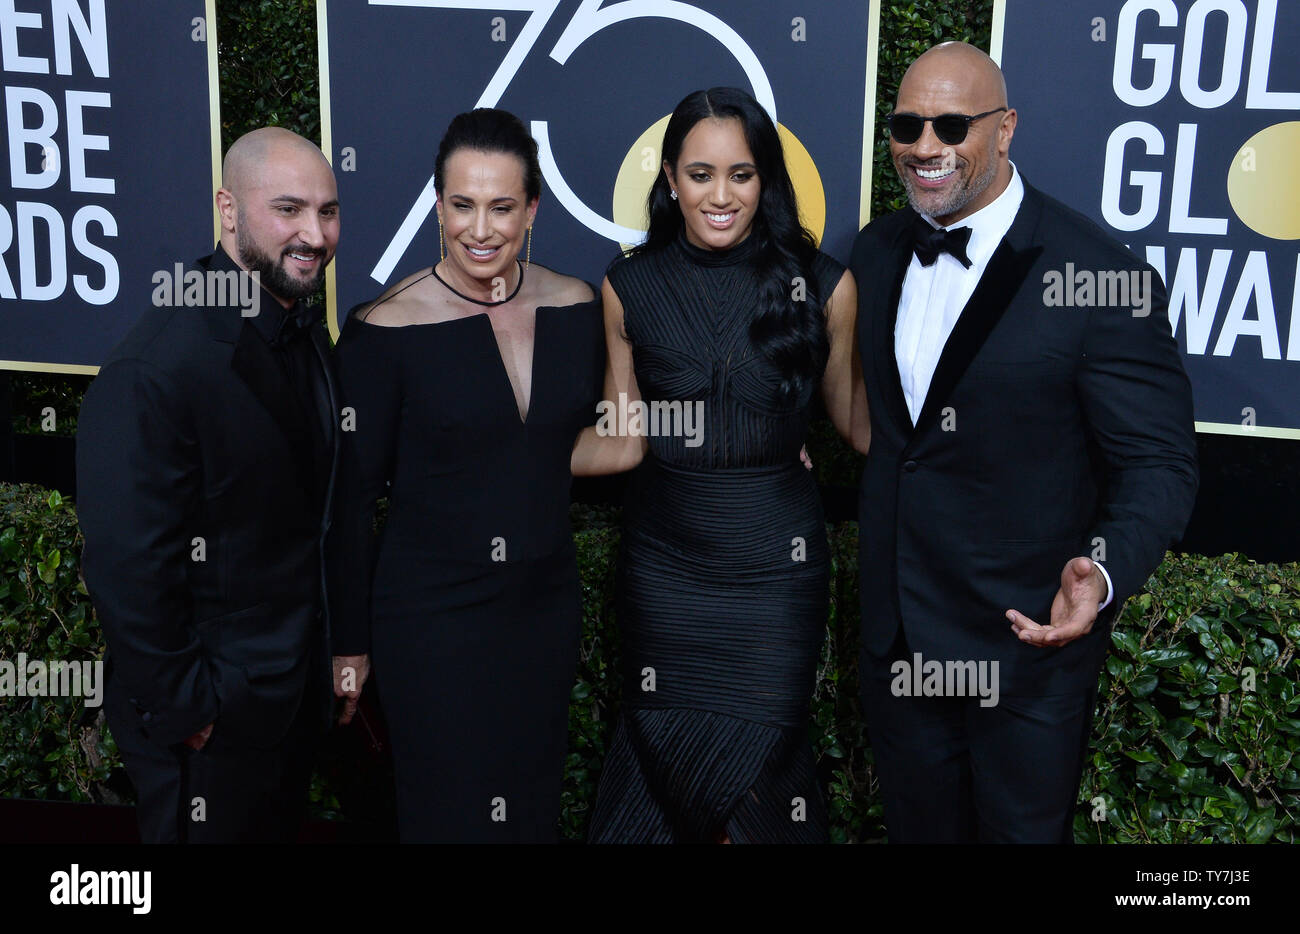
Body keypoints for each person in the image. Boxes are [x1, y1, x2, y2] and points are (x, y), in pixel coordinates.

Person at [849, 42, 1198, 843]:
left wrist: (1104, 572)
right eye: (908, 124)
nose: (925, 145)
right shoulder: (876, 251)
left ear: (1005, 129)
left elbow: (1159, 461)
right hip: (899, 642)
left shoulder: (1099, 276)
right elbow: (885, 427)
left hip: (1025, 649)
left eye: (951, 124)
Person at [575, 87, 870, 843]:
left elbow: (857, 424)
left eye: (741, 174)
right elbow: (622, 439)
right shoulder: (628, 285)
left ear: (765, 180)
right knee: (654, 756)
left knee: (765, 770)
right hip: (666, 572)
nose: (721, 194)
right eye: (700, 173)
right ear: (670, 178)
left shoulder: (825, 286)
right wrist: (494, 454)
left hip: (776, 571)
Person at [329, 108, 604, 842]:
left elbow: (599, 439)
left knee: (532, 808)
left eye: (502, 206)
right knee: (449, 815)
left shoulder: (576, 305)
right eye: (462, 205)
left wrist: (756, 444)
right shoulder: (384, 328)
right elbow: (349, 502)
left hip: (543, 609)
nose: (480, 229)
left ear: (533, 210)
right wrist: (348, 645)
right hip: (431, 620)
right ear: (439, 204)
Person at [76, 127, 343, 843]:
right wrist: (190, 708)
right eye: (288, 210)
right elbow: (126, 564)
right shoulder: (159, 365)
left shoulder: (305, 334)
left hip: (286, 709)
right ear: (228, 210)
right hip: (208, 731)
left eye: (327, 211)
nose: (313, 235)